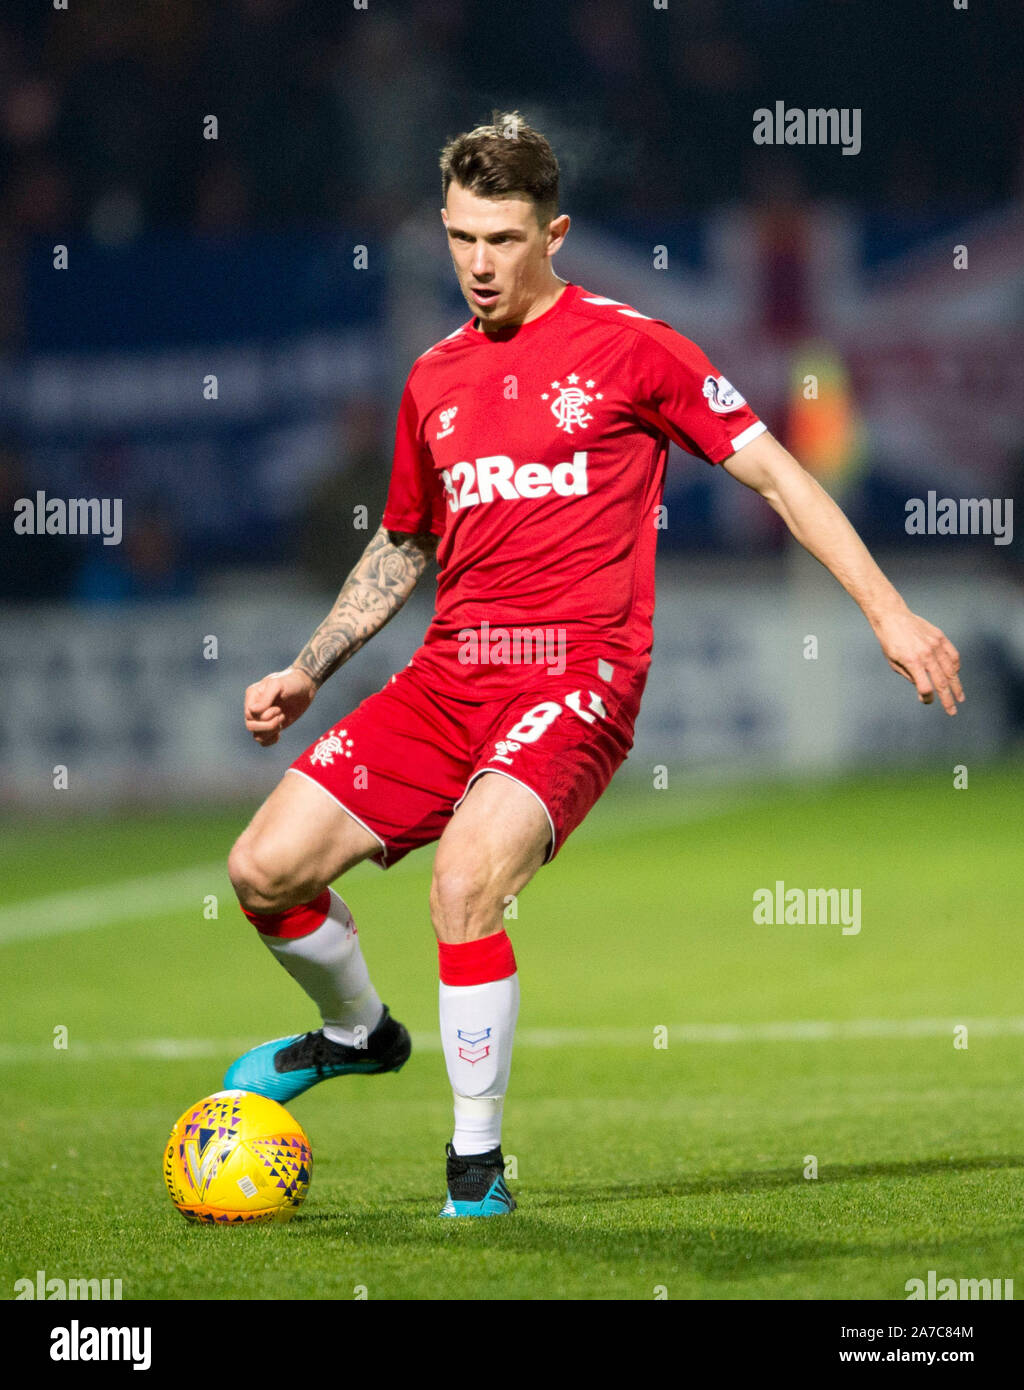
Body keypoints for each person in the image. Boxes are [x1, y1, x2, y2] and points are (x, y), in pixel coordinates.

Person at [223, 114, 964, 1217]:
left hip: (577, 680)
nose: (479, 263)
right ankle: (358, 1035)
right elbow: (403, 540)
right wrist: (309, 667)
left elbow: (780, 477)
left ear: (554, 232)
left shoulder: (635, 348)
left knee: (464, 883)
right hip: (445, 681)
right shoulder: (432, 378)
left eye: (505, 239)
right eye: (462, 237)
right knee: (262, 870)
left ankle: (474, 1171)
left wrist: (890, 612)